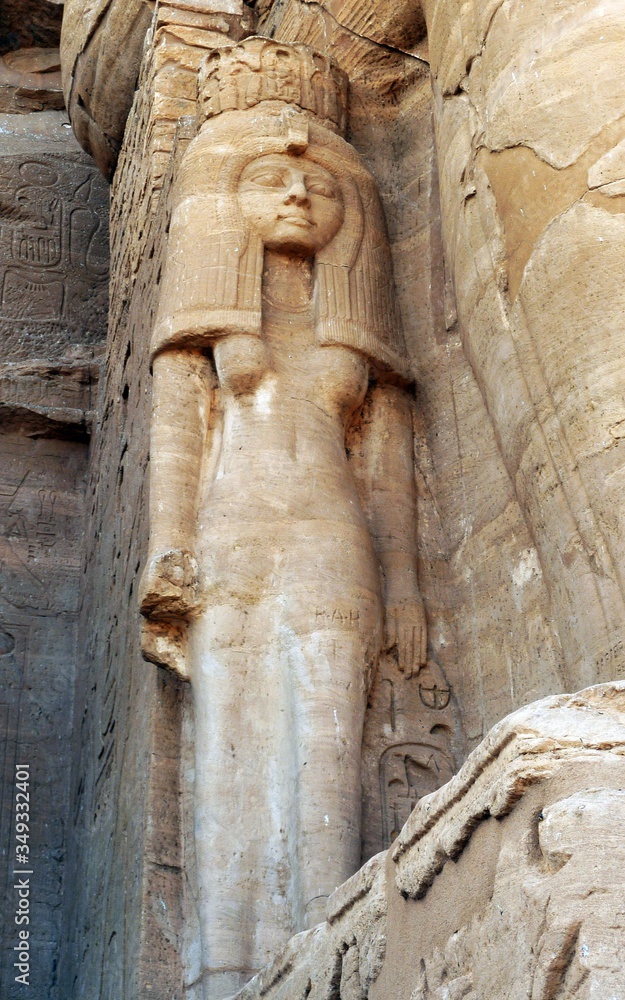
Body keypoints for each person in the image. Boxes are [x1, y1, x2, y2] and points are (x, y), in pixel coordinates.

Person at [138, 38, 427, 999]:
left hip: (335, 546)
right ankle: (224, 972)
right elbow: (178, 442)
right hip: (227, 541)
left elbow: (390, 475)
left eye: (322, 189)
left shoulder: (355, 346)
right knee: (228, 752)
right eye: (271, 181)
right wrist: (164, 561)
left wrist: (414, 591)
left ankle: (329, 964)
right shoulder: (204, 343)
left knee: (327, 759)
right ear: (226, 205)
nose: (300, 199)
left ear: (354, 213)